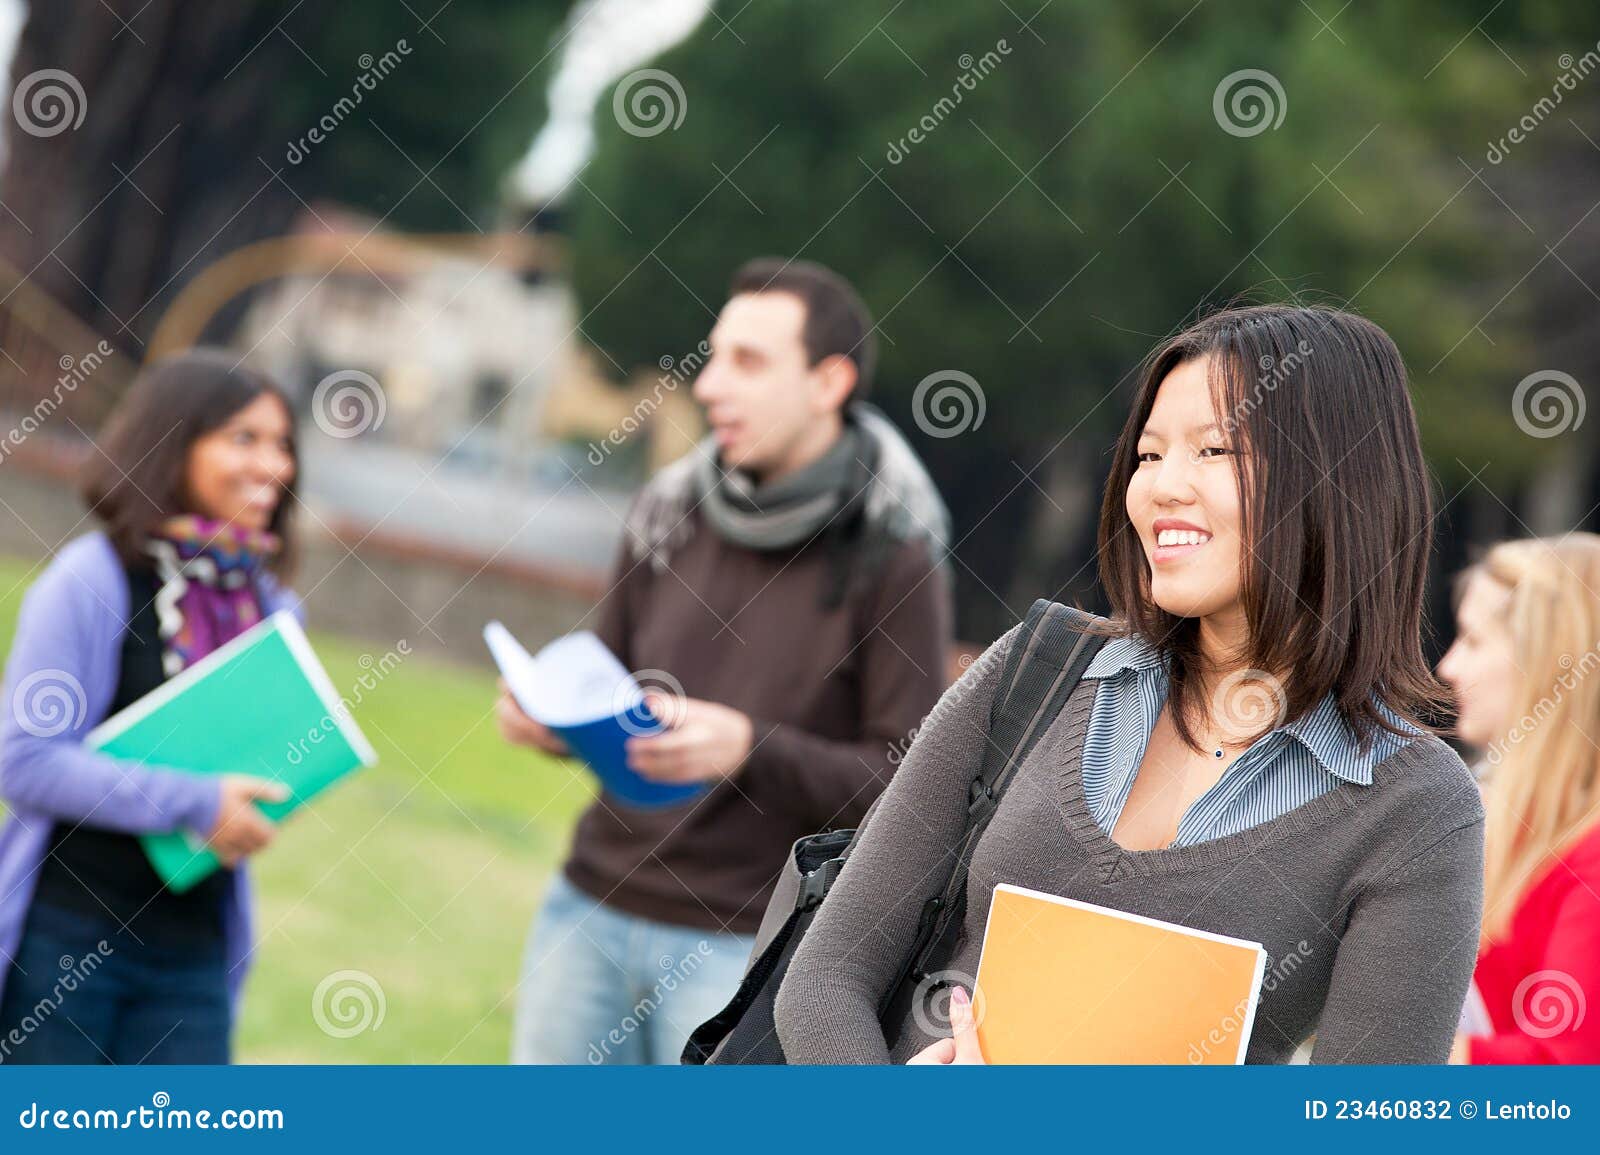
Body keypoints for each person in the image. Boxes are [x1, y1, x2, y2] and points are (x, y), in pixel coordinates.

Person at [774, 303, 1486, 1064]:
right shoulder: (1039, 669)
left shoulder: (1417, 807)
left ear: (1340, 482)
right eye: (1147, 455)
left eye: (1215, 449)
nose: (1159, 489)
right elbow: (824, 978)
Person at [500, 258, 953, 1064]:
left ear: (828, 382)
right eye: (713, 357)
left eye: (747, 362)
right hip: (588, 905)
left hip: (743, 947)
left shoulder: (895, 553)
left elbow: (908, 784)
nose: (708, 386)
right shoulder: (664, 507)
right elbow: (608, 673)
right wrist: (553, 714)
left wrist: (748, 746)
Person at [0, 350, 300, 1064]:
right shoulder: (90, 579)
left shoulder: (272, 608)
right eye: (244, 438)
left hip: (194, 956)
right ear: (172, 443)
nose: (276, 465)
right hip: (67, 945)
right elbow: (25, 761)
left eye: (283, 444)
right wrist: (195, 800)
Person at [1438, 534, 1600, 1064]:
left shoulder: (1589, 856)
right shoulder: (1498, 820)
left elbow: (1567, 1077)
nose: (1448, 668)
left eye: (1474, 640)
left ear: (1549, 662)